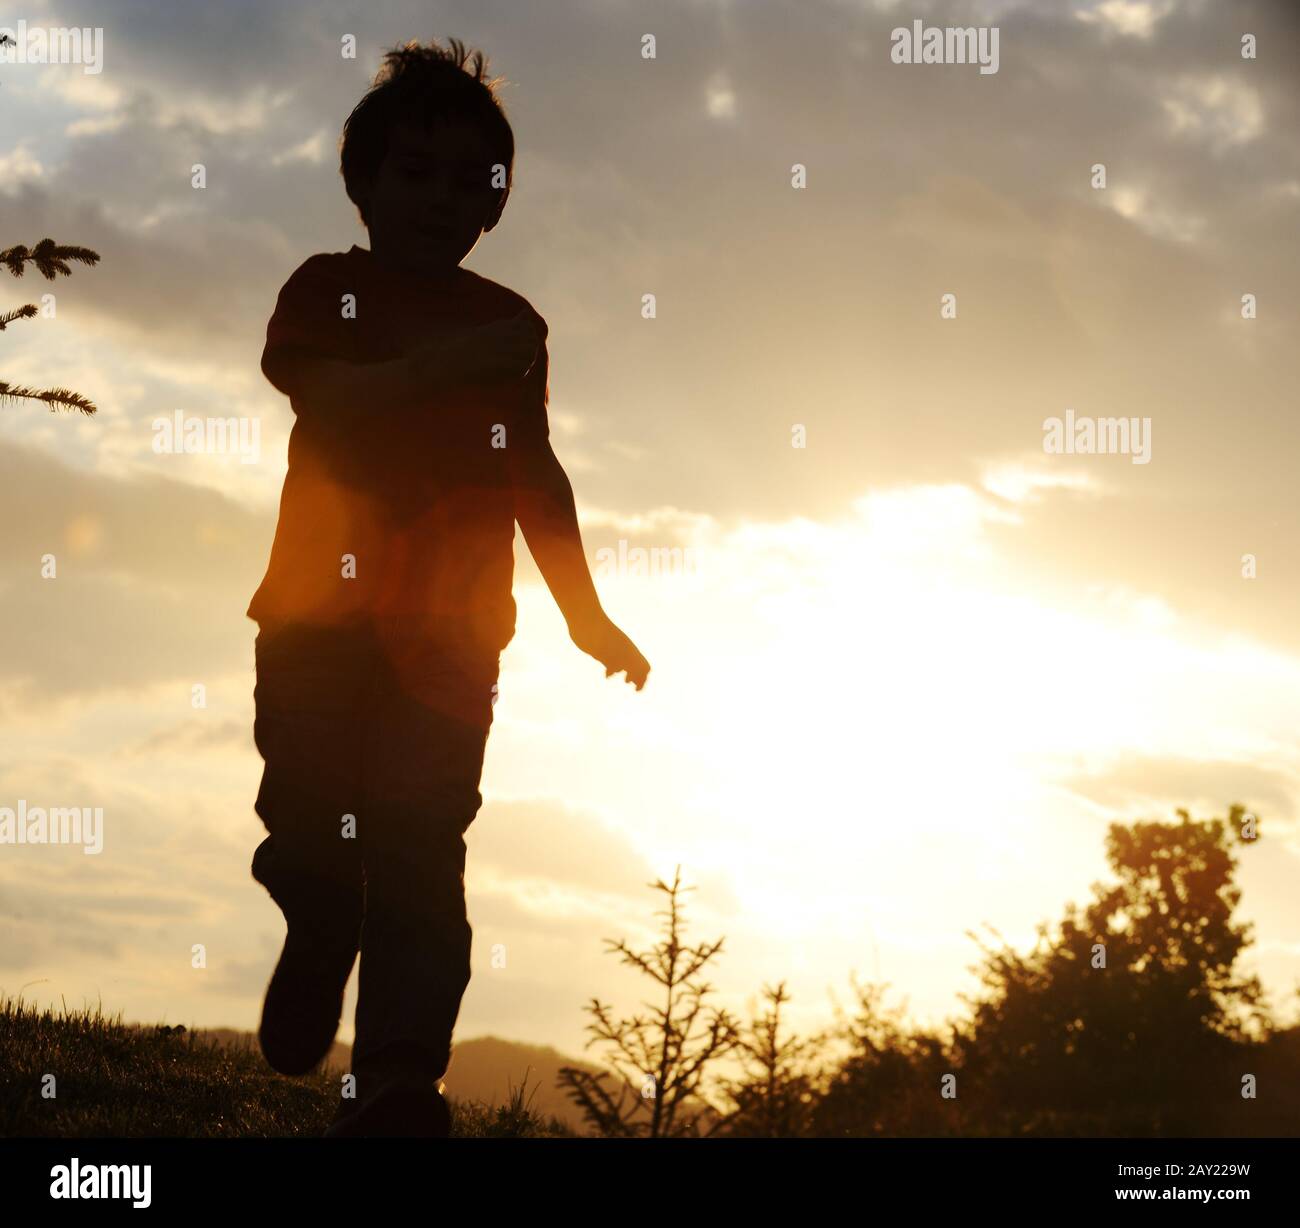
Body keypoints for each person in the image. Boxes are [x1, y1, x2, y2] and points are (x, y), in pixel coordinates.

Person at [247, 37, 649, 1138]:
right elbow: (325, 400)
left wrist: (585, 610)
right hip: (316, 622)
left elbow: (536, 473)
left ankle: (396, 1085)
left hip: (456, 640)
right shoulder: (326, 291)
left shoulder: (515, 330)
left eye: (471, 179)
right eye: (413, 172)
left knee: (422, 851)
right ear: (362, 184)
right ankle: (319, 918)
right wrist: (431, 373)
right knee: (315, 825)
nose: (441, 197)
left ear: (497, 200)